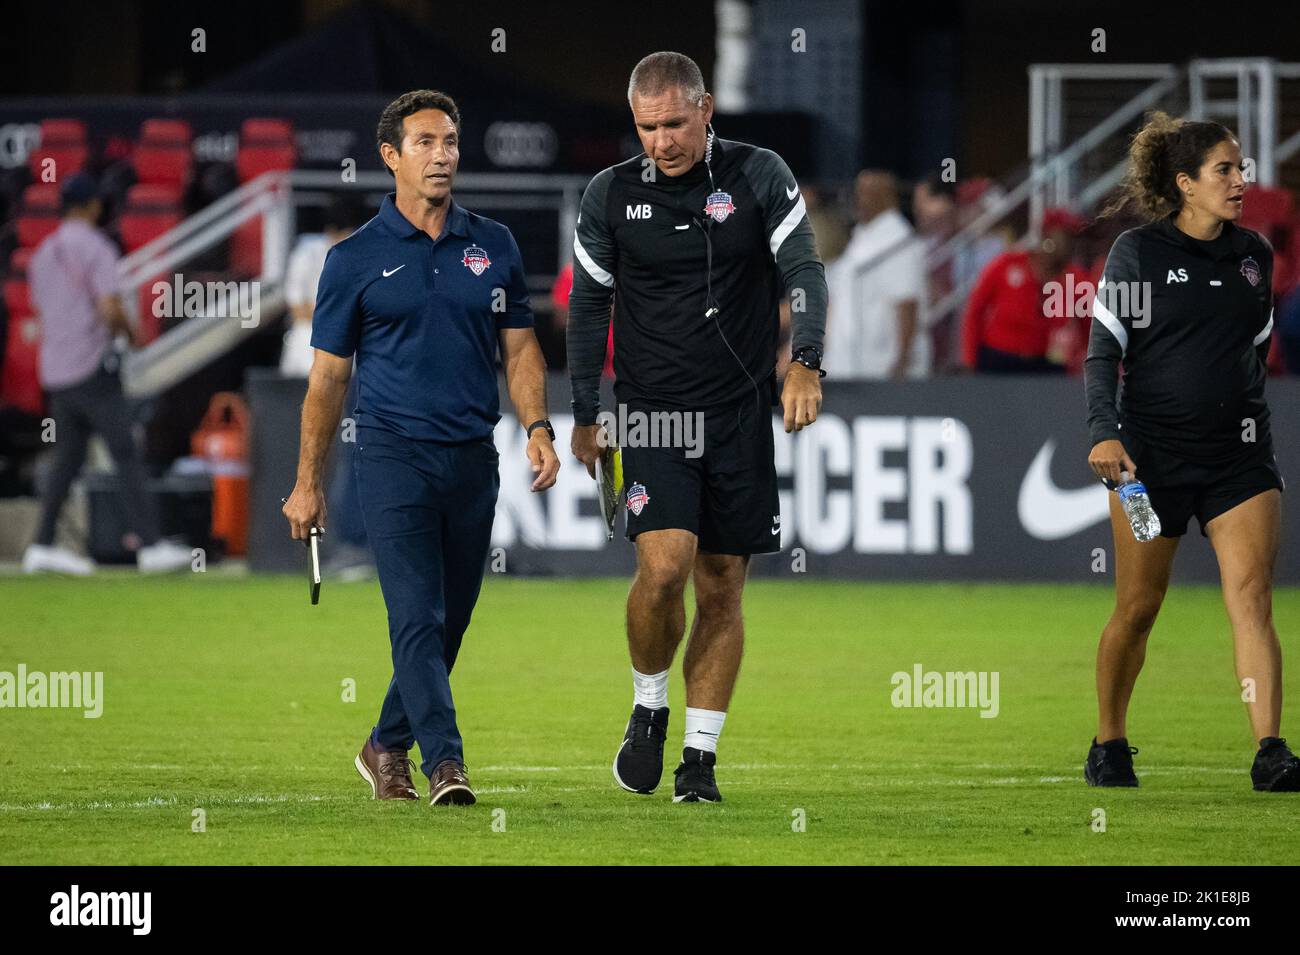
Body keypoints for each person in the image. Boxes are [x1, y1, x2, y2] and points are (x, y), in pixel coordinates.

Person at [282, 90, 560, 806]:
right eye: (426, 142)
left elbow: (522, 349)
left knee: (450, 621)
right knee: (416, 615)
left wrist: (536, 426)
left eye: (451, 142)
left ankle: (383, 744)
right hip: (392, 455)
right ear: (390, 156)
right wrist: (307, 481)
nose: (443, 155)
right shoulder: (353, 260)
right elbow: (327, 379)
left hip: (473, 456)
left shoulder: (492, 244)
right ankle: (446, 763)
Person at [568, 52, 826, 803]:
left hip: (740, 414)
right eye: (646, 127)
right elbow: (588, 306)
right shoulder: (609, 194)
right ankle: (649, 704)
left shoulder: (759, 175)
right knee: (665, 569)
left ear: (706, 109)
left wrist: (804, 360)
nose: (661, 141)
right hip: (654, 413)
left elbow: (804, 270)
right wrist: (587, 411)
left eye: (675, 123)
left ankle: (699, 760)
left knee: (722, 587)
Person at [1083, 111, 1299, 791]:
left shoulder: (1254, 256)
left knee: (1252, 595)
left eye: (1242, 167)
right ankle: (1109, 742)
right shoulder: (1137, 254)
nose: (1241, 181)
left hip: (1240, 459)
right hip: (1148, 464)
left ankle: (1270, 750)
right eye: (1225, 170)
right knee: (1138, 607)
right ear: (1185, 183)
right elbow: (1102, 353)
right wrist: (1103, 431)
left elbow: (1255, 350)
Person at [23, 173, 191, 575]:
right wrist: (135, 337)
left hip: (57, 370)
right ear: (93, 206)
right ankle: (150, 547)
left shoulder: (42, 253)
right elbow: (110, 308)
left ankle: (41, 545)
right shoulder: (96, 247)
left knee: (68, 459)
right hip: (92, 369)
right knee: (126, 455)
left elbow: (42, 311)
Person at [824, 170, 928, 379]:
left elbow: (907, 302)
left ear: (886, 197)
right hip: (847, 361)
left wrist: (902, 361)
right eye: (858, 192)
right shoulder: (863, 236)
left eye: (866, 193)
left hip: (880, 365)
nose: (859, 199)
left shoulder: (899, 241)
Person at [961, 208, 1091, 373]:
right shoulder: (1007, 264)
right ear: (1047, 235)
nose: (1070, 245)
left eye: (1074, 239)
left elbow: (1090, 326)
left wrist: (1086, 362)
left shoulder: (1076, 279)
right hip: (998, 359)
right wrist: (969, 360)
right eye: (1066, 237)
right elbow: (975, 311)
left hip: (1044, 364)